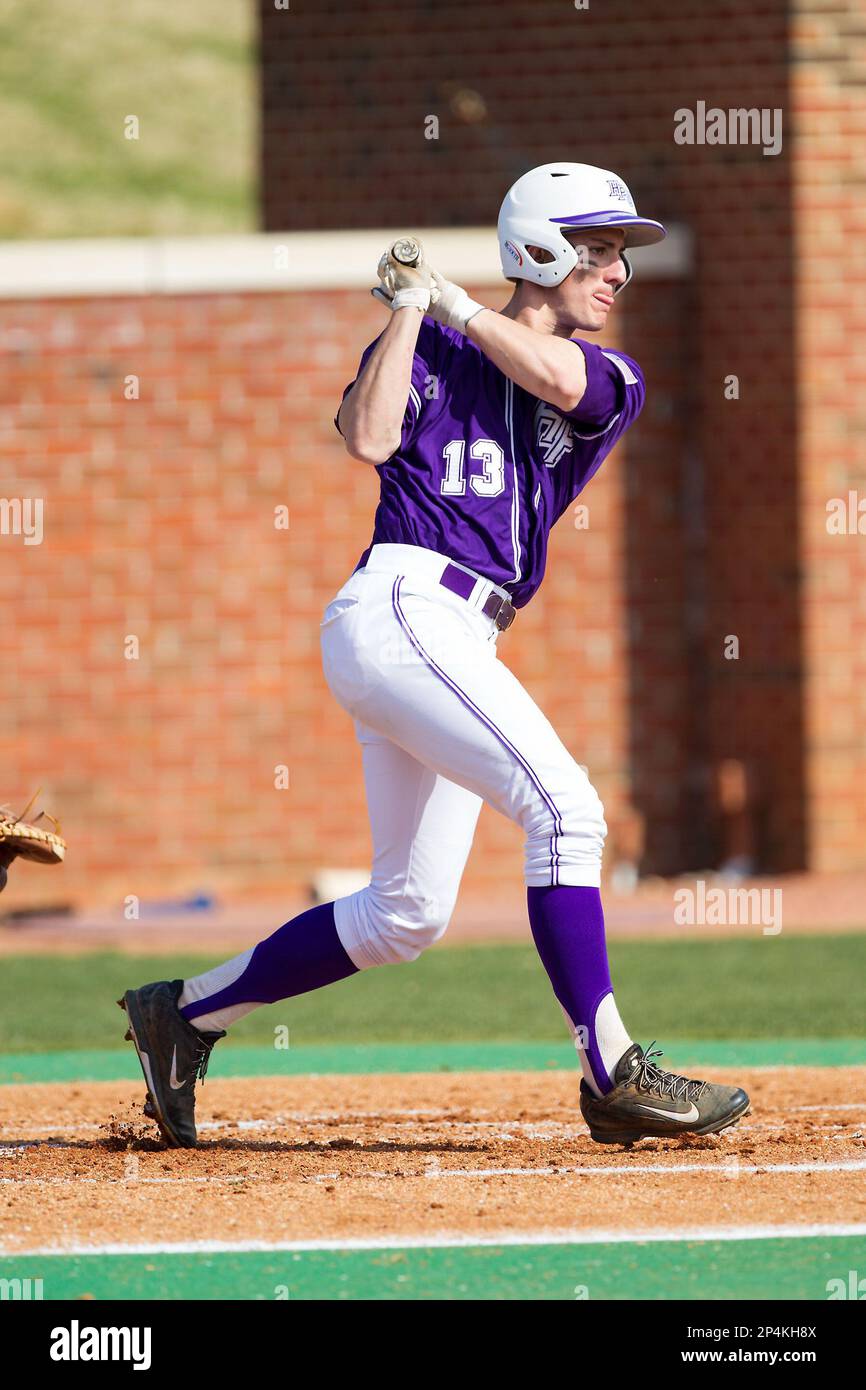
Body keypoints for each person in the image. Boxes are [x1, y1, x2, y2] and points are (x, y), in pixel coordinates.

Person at [120, 163, 750, 1149]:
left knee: (405, 913)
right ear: (538, 247)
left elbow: (551, 378)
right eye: (597, 249)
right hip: (404, 602)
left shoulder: (610, 376)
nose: (617, 271)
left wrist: (452, 298)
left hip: (459, 631)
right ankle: (612, 1072)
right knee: (566, 810)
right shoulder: (432, 346)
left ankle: (183, 1015)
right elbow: (368, 438)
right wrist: (411, 312)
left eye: (619, 253)